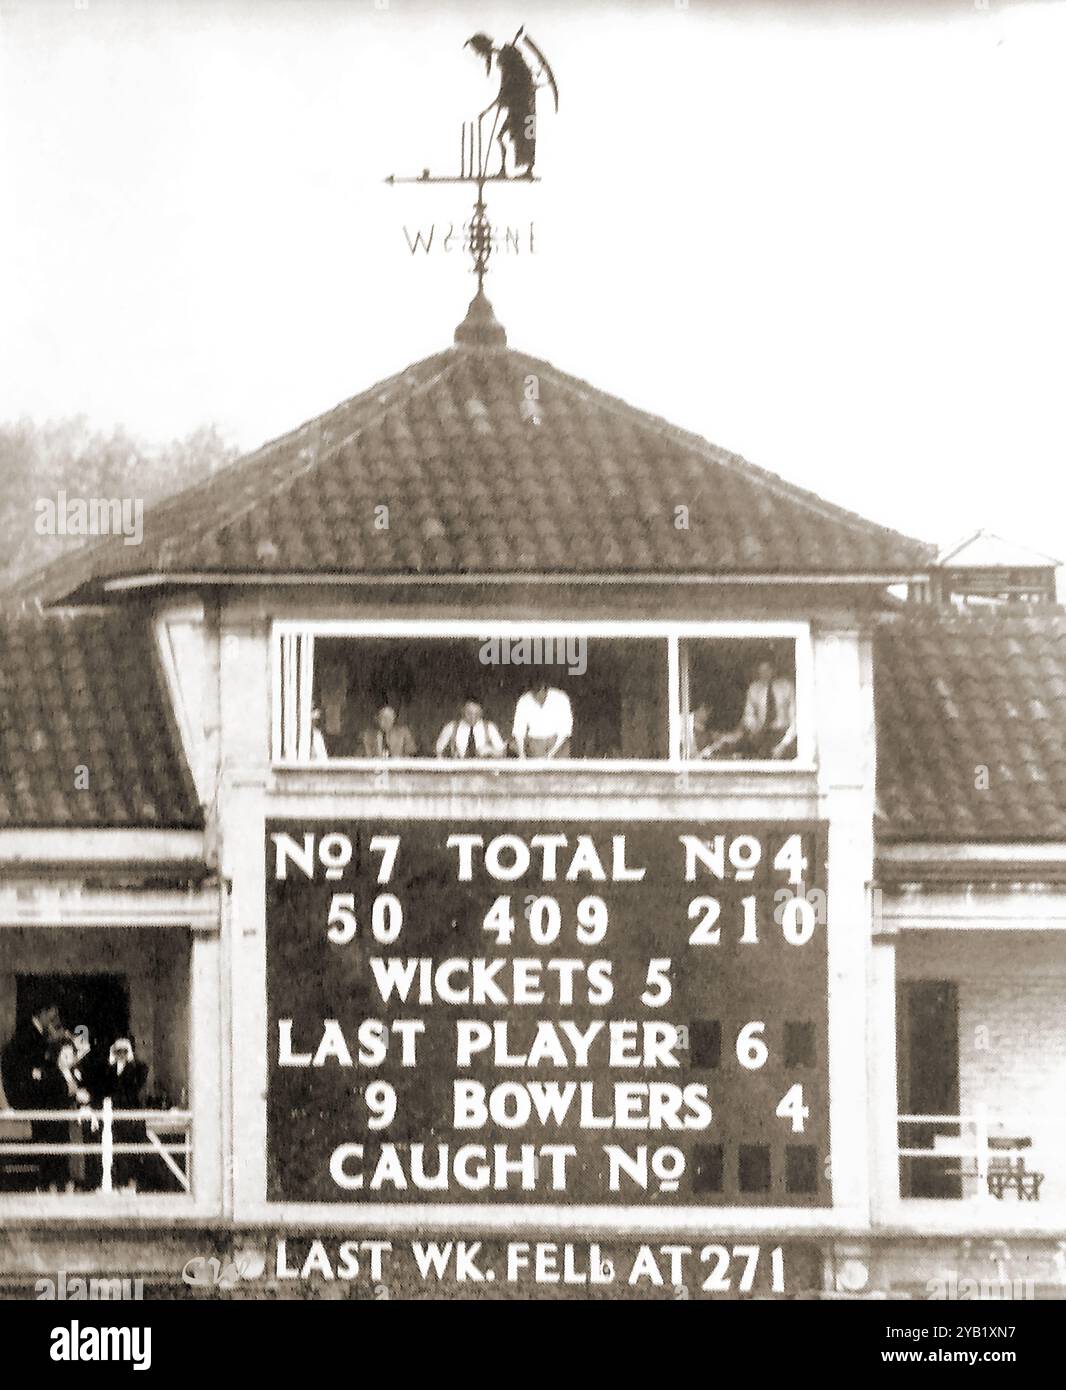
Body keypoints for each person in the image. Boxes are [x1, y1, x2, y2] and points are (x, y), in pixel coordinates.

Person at [0, 1002, 68, 1191]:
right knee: (49, 1132)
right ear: (43, 1013)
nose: (54, 1022)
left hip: (33, 1092)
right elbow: (26, 1067)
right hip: (30, 1095)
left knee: (47, 1134)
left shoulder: (36, 1034)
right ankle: (49, 1180)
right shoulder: (28, 1034)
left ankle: (49, 1180)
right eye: (52, 1017)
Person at [705, 654, 796, 760]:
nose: (764, 674)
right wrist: (754, 727)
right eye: (761, 671)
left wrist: (784, 744)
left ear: (774, 669)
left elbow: (795, 717)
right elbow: (748, 714)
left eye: (767, 670)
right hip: (761, 734)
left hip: (783, 734)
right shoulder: (754, 688)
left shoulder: (787, 687)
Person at [93, 1038, 148, 1191]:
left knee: (130, 1152)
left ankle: (131, 1184)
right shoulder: (108, 1069)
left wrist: (129, 1063)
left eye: (125, 1051)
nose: (121, 1054)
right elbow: (103, 1088)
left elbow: (136, 1085)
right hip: (112, 1116)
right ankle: (116, 1183)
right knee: (113, 1151)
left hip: (130, 1117)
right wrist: (111, 1065)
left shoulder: (137, 1069)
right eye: (118, 1051)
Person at [513, 678, 573, 758]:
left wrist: (551, 754)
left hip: (558, 743)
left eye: (539, 692)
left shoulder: (561, 698)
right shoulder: (524, 700)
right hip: (535, 743)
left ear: (545, 689)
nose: (537, 697)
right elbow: (519, 730)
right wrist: (521, 754)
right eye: (534, 693)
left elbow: (565, 731)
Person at [435, 697, 506, 759]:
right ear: (462, 710)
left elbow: (502, 752)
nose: (473, 717)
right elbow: (438, 751)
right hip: (458, 771)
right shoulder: (451, 727)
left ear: (481, 712)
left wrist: (490, 751)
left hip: (484, 771)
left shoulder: (490, 728)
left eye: (476, 713)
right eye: (469, 713)